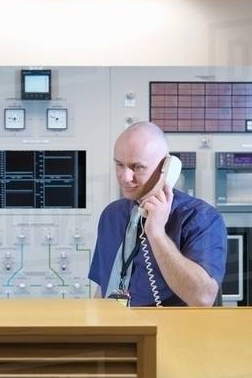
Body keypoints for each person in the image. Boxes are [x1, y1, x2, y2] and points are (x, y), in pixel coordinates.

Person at [88, 122, 227, 307]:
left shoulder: (202, 218)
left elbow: (202, 298)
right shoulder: (111, 215)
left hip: (173, 333)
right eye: (119, 165)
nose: (125, 177)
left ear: (167, 167)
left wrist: (157, 234)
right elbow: (102, 289)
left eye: (137, 167)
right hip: (117, 330)